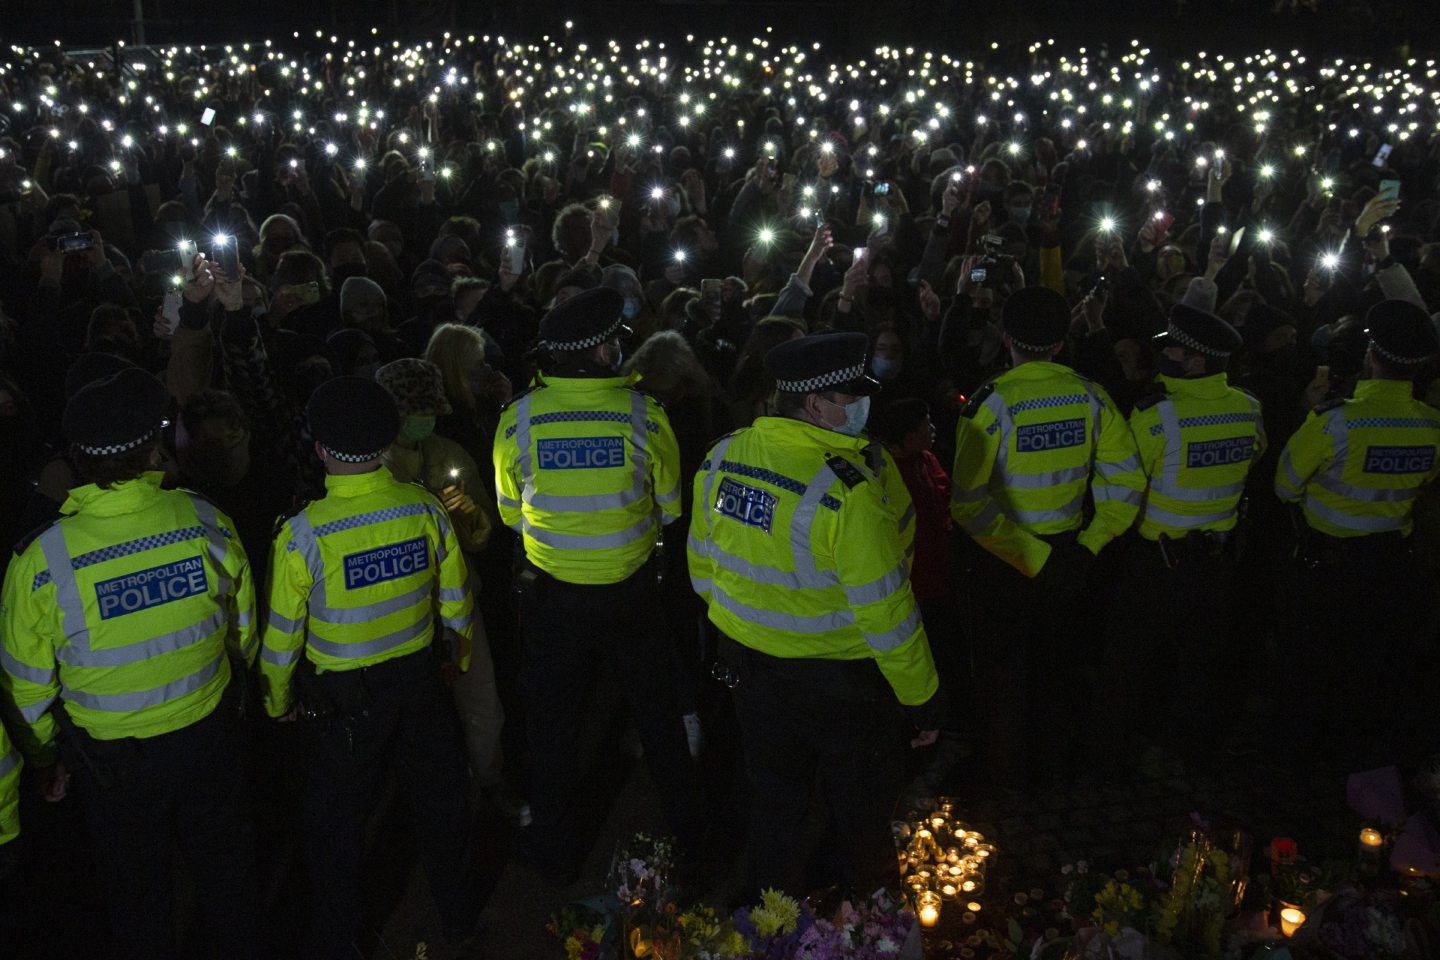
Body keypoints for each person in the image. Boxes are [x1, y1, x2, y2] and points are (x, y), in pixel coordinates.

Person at [0, 368, 261, 960]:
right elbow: (243, 625)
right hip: (208, 739)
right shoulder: (204, 519)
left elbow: (25, 686)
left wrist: (44, 758)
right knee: (228, 876)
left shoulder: (41, 560)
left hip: (112, 766)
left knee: (136, 895)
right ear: (153, 448)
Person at [687, 331, 942, 897]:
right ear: (816, 406)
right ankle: (870, 921)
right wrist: (922, 699)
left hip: (750, 673)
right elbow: (889, 615)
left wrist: (749, 625)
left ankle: (769, 919)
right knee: (861, 811)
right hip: (840, 686)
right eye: (852, 397)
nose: (863, 406)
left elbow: (703, 567)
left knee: (775, 803)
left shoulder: (724, 454)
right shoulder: (849, 493)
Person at [258, 376, 481, 957]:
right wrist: (456, 659)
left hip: (345, 702)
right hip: (419, 682)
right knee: (439, 802)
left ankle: (342, 940)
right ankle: (457, 915)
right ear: (385, 445)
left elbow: (282, 639)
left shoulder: (302, 534)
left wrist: (277, 702)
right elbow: (456, 599)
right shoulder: (424, 508)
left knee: (337, 824)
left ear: (320, 450)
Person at [493, 286, 702, 873]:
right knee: (658, 718)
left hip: (552, 598)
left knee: (553, 728)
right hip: (632, 593)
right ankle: (690, 841)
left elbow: (511, 512)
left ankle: (556, 852)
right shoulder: (645, 415)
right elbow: (669, 506)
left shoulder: (519, 418)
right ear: (607, 351)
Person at [949, 286, 1145, 787]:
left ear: (1007, 337)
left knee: (1005, 675)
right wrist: (1087, 546)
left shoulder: (991, 402)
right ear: (1061, 343)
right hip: (1070, 556)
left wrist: (1029, 554)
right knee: (1057, 671)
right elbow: (1127, 484)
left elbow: (967, 501)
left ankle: (1005, 783)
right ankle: (1055, 774)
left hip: (1005, 560)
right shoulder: (1092, 396)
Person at [1096, 305, 1264, 770]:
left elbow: (1127, 484)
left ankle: (1109, 755)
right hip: (1216, 563)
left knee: (1126, 663)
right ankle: (1184, 751)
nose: (1161, 353)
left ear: (1194, 362)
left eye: (1170, 348)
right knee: (1200, 668)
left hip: (1158, 561)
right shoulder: (1249, 408)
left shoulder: (1156, 416)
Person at [1274, 299, 1440, 767]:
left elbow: (1284, 487)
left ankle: (1293, 761)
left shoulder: (1334, 422)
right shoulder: (1433, 427)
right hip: (1391, 567)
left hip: (1326, 569)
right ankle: (1347, 758)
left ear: (1371, 354)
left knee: (1307, 668)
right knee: (1365, 670)